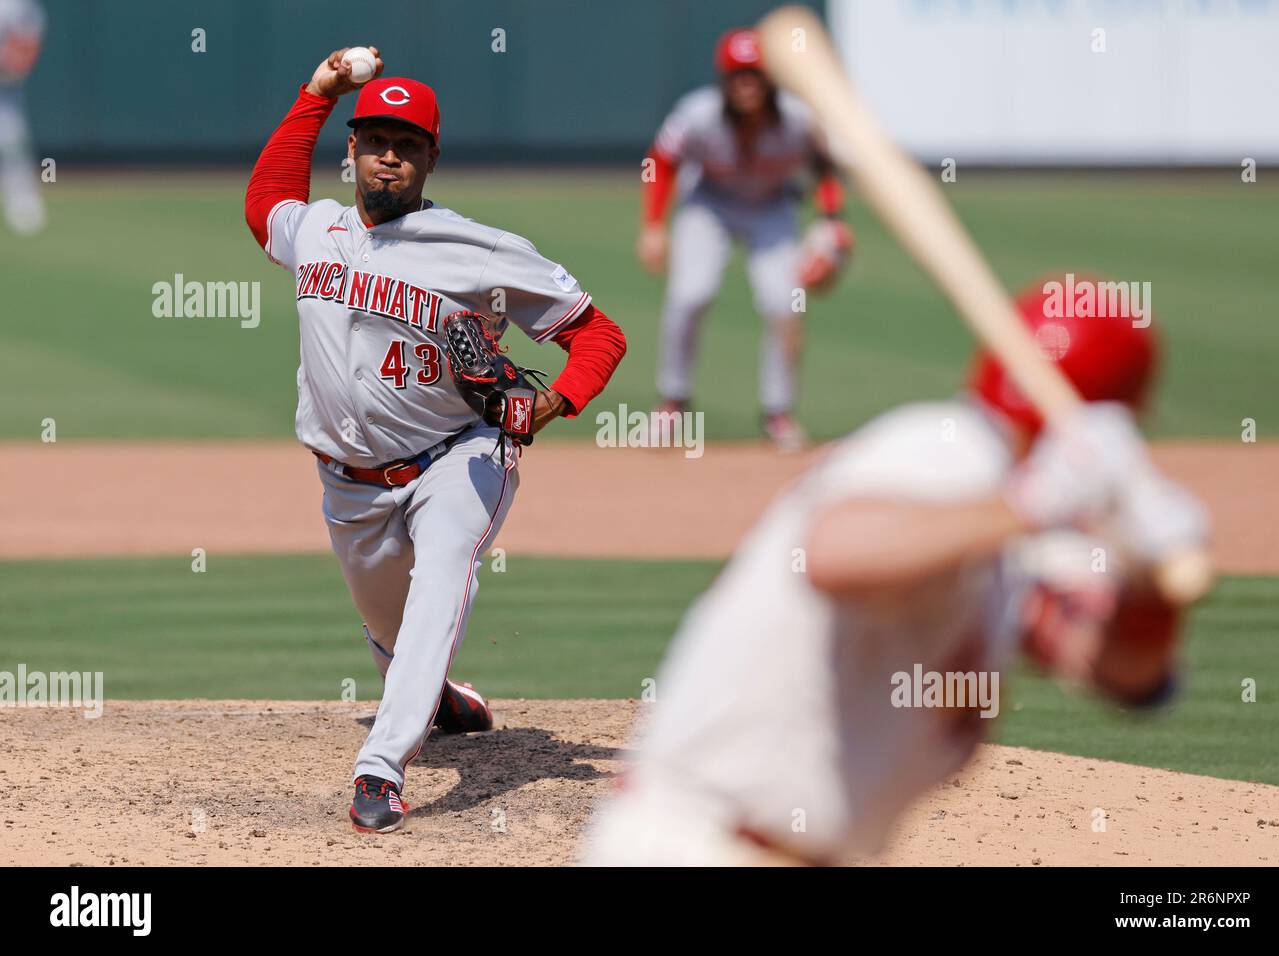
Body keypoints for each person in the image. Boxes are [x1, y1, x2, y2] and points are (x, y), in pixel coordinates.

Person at [581, 278, 1207, 865]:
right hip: (697, 844)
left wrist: (1149, 586)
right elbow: (834, 551)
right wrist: (1034, 504)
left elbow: (1117, 670)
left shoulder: (1015, 527)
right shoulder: (946, 450)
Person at [244, 47, 626, 833]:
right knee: (391, 628)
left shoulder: (478, 249)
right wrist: (316, 91)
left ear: (430, 158)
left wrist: (551, 404)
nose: (390, 155)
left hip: (461, 454)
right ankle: (439, 694)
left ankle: (379, 770)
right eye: (376, 139)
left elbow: (598, 334)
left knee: (445, 563)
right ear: (350, 151)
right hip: (349, 484)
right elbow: (264, 201)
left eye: (407, 144)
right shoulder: (315, 229)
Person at [638, 27, 852, 451]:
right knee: (690, 294)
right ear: (725, 79)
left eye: (754, 74)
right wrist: (654, 224)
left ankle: (778, 413)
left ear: (770, 78)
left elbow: (826, 167)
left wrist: (831, 221)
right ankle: (672, 404)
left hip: (772, 207)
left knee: (784, 300)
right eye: (739, 75)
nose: (747, 84)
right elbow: (659, 161)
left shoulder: (798, 117)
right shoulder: (696, 114)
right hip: (708, 204)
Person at [0, 0, 45, 235]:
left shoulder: (17, 5)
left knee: (11, 142)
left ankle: (22, 202)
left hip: (3, 90)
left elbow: (24, 48)